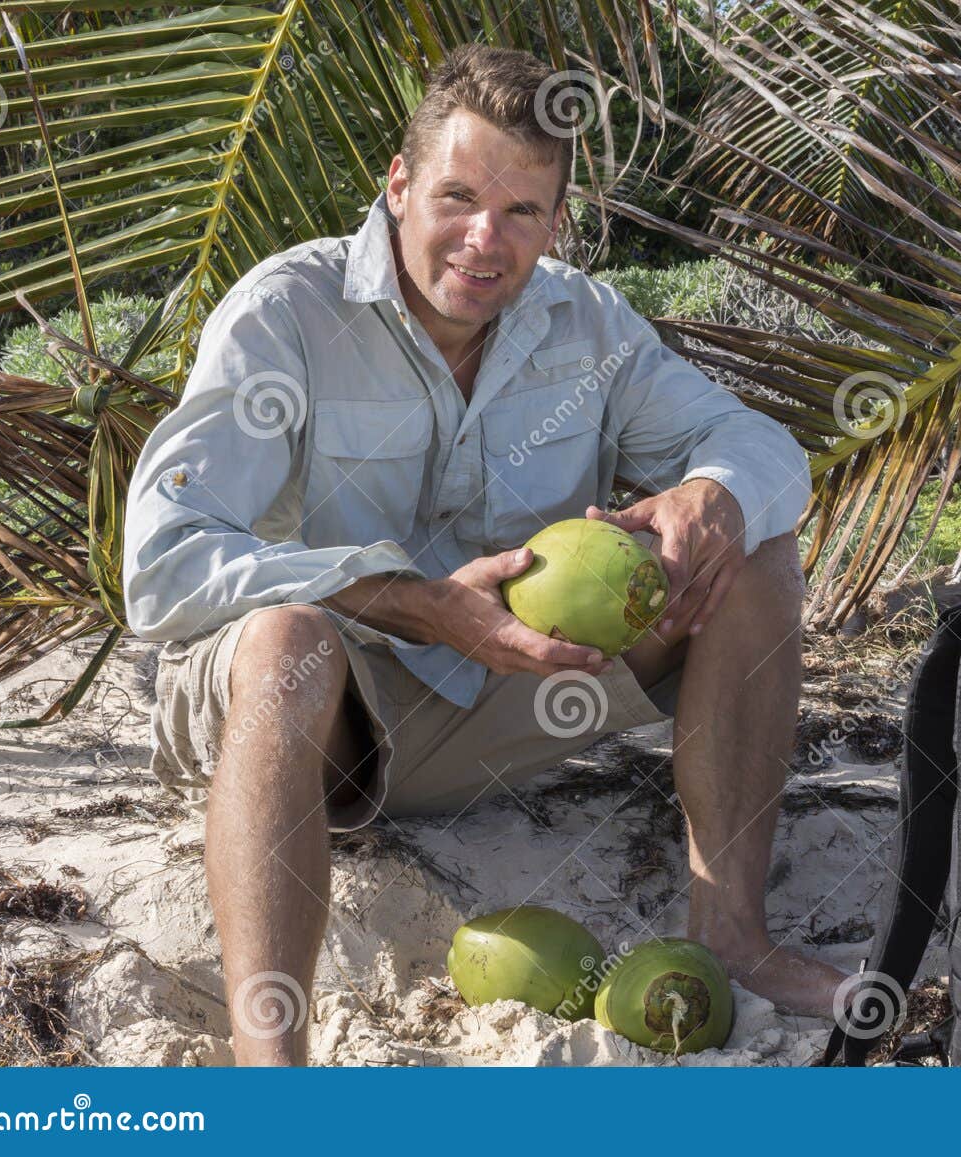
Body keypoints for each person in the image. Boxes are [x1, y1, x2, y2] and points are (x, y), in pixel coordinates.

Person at [122, 44, 847, 1065]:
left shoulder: (586, 322)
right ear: (399, 184)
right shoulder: (287, 312)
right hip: (312, 727)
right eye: (458, 196)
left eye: (521, 212)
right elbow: (162, 563)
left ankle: (732, 937)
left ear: (556, 221)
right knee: (288, 634)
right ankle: (268, 1066)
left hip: (512, 701)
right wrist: (415, 601)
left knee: (757, 553)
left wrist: (707, 494)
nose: (483, 239)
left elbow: (764, 446)